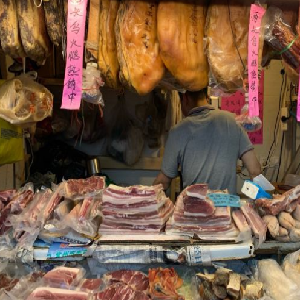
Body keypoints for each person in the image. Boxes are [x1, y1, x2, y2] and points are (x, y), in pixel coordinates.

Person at [153, 88, 261, 194]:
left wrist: (142, 199)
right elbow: (255, 170)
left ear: (185, 98)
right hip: (227, 210)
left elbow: (163, 181)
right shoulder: (234, 121)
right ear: (207, 97)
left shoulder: (177, 131)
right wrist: (260, 204)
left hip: (194, 210)